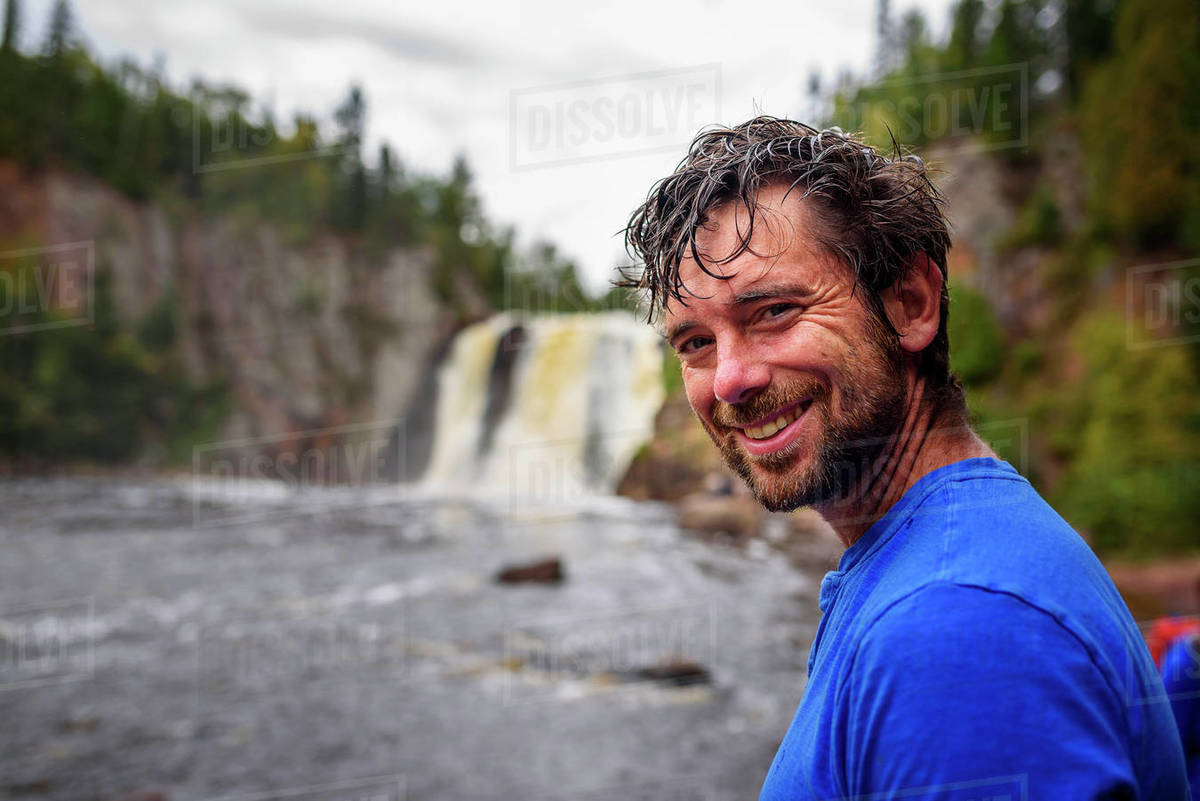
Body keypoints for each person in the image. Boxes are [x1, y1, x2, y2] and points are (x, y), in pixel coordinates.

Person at [620, 117, 1188, 799]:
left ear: (911, 304)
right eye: (694, 343)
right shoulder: (949, 555)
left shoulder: (955, 629)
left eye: (773, 310)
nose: (729, 379)